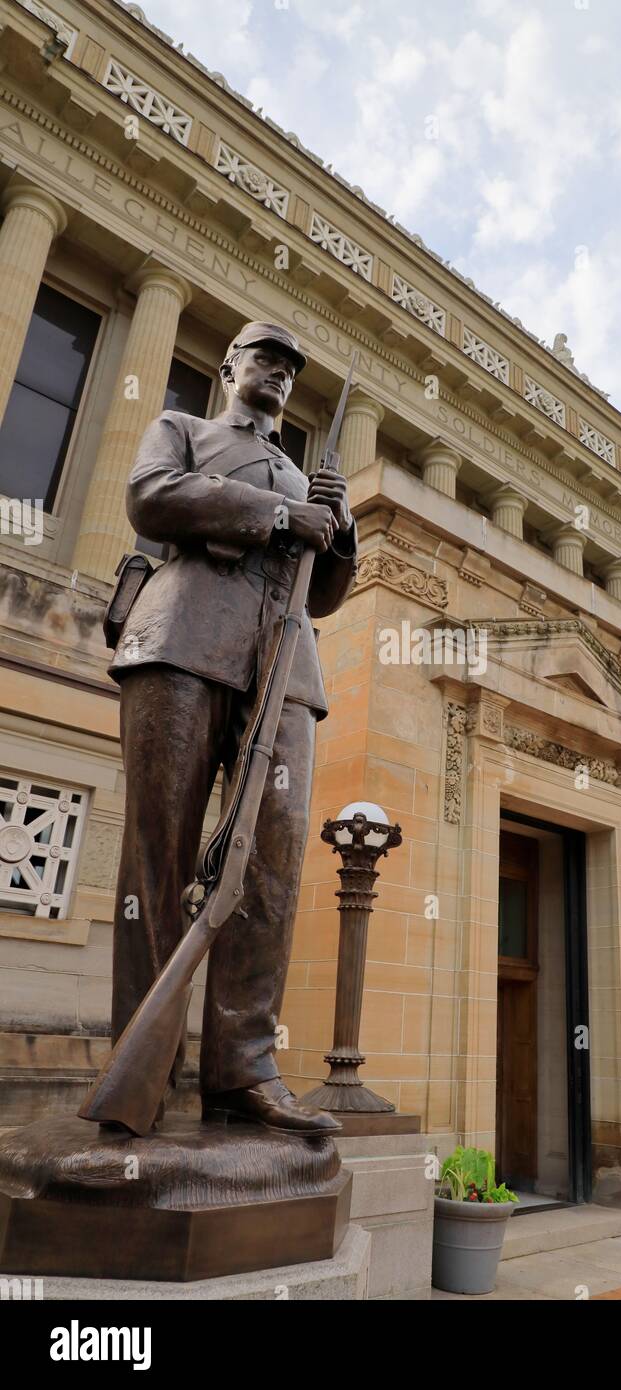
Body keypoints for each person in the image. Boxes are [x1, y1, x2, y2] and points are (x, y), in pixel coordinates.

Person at [106, 321, 358, 1134]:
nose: (278, 374)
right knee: (159, 857)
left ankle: (243, 1071)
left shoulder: (306, 476)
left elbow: (324, 598)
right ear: (230, 368)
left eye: (290, 368)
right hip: (184, 639)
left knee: (271, 865)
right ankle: (139, 1075)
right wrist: (282, 515)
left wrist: (337, 526)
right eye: (265, 359)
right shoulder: (183, 428)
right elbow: (151, 497)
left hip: (282, 666)